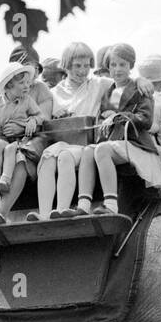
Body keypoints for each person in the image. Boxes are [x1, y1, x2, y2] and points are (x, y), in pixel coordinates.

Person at [77, 43, 161, 214]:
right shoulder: (108, 91)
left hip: (135, 144)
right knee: (88, 151)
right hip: (115, 143)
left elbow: (146, 120)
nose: (117, 69)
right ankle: (83, 204)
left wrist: (118, 116)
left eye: (122, 65)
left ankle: (111, 205)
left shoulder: (140, 88)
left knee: (102, 150)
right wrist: (104, 117)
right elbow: (103, 119)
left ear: (131, 66)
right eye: (113, 65)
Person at [0, 62, 48, 227]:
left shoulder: (27, 100)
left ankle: (2, 213)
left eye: (28, 83)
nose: (27, 86)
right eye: (22, 83)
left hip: (22, 142)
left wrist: (32, 121)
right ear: (9, 85)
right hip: (1, 141)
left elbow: (41, 116)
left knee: (19, 162)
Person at [34, 41, 104, 220]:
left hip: (85, 144)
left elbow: (124, 82)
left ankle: (61, 209)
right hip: (61, 141)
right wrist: (58, 117)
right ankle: (44, 214)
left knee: (65, 156)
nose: (82, 70)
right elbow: (45, 120)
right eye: (77, 66)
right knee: (47, 157)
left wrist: (142, 80)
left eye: (87, 65)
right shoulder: (55, 92)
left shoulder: (97, 84)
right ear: (66, 66)